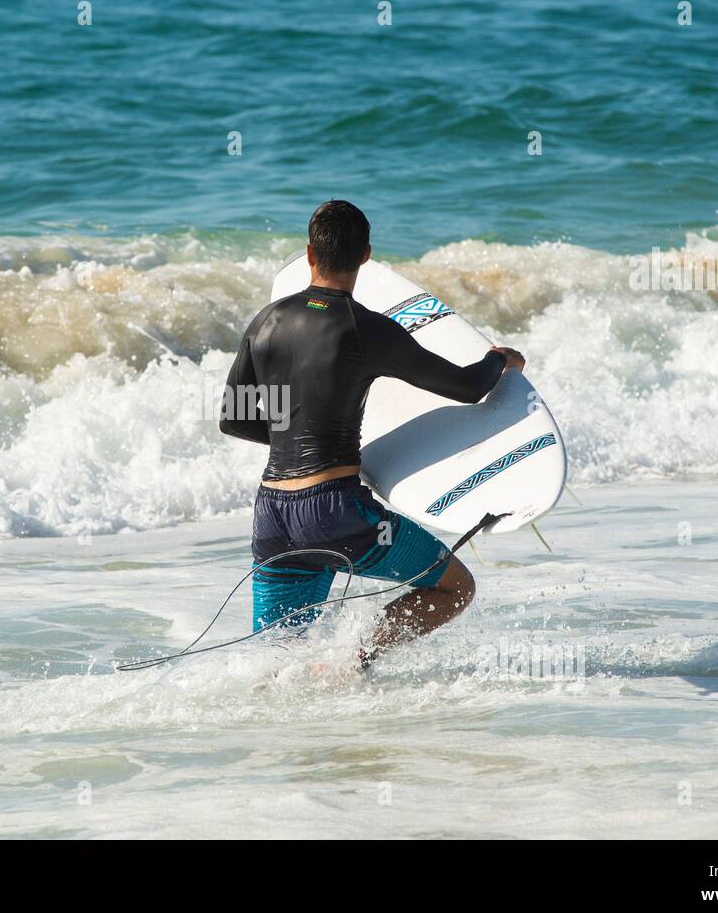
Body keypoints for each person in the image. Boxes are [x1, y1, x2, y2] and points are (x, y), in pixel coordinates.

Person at [219, 200, 525, 665]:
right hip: (335, 513)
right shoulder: (367, 329)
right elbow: (466, 387)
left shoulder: (265, 321)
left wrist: (293, 436)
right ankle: (355, 659)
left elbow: (234, 418)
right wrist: (499, 360)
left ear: (309, 253)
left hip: (273, 516)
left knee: (278, 661)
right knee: (454, 587)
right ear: (366, 255)